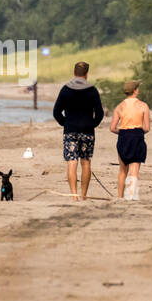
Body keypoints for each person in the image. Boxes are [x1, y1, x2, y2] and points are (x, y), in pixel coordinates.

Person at [52, 62, 104, 200]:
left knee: (72, 162)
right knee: (86, 162)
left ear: (74, 73)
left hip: (70, 130)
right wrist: (92, 124)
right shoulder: (92, 90)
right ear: (86, 74)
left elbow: (56, 112)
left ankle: (74, 195)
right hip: (87, 130)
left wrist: (65, 123)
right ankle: (83, 195)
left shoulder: (66, 89)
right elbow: (100, 114)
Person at [110, 80, 150, 199]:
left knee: (122, 170)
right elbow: (147, 128)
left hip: (123, 137)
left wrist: (123, 132)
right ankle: (131, 196)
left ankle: (120, 197)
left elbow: (112, 128)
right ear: (135, 90)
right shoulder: (143, 106)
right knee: (134, 170)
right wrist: (136, 132)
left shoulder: (119, 107)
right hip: (137, 136)